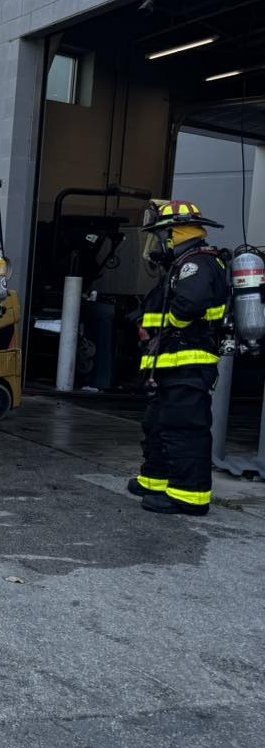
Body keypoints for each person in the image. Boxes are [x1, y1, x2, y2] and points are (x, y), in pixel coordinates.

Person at [128, 200, 230, 516]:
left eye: (162, 236)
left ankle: (190, 496)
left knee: (184, 427)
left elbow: (187, 307)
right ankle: (155, 480)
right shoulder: (183, 263)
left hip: (189, 359)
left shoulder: (197, 264)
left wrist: (157, 325)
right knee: (158, 422)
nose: (159, 243)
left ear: (176, 233)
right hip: (173, 360)